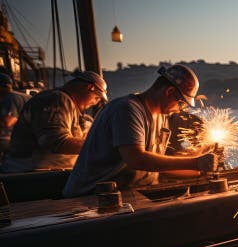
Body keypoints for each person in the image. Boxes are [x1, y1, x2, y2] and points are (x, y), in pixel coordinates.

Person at [63, 64, 217, 196]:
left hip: (129, 194)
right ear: (169, 92)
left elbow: (156, 167)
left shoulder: (162, 117)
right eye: (181, 103)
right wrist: (195, 163)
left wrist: (202, 165)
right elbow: (136, 159)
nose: (179, 110)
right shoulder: (127, 109)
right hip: (90, 199)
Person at [3, 71, 107, 172]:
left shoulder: (67, 103)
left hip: (45, 171)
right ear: (89, 87)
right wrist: (101, 146)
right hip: (33, 174)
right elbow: (57, 142)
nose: (95, 102)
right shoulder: (56, 99)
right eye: (96, 97)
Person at [0, 73, 30, 155]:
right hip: (29, 141)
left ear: (5, 86)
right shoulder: (26, 96)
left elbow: (7, 122)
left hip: (11, 140)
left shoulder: (10, 97)